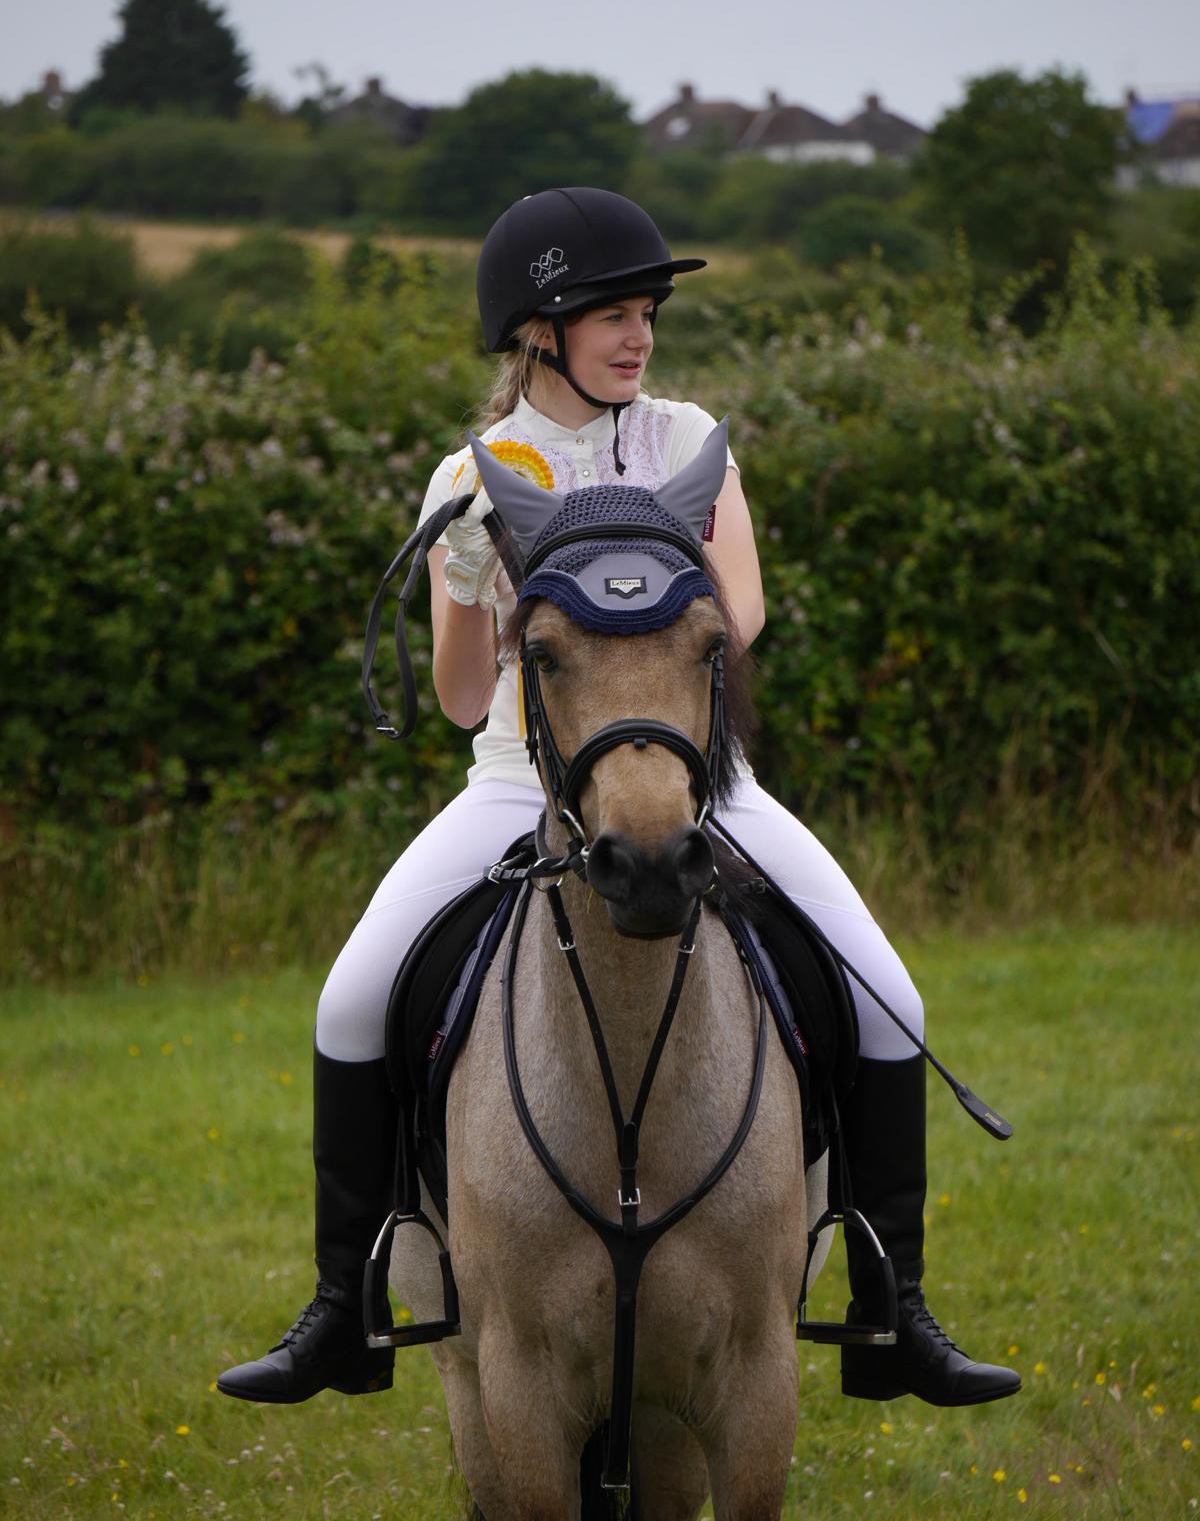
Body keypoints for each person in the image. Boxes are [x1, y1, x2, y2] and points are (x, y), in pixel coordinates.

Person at [217, 187, 1020, 1410]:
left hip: (700, 779)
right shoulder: (470, 474)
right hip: (516, 785)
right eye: (611, 314)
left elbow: (739, 614)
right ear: (537, 330)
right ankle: (345, 1305)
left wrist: (641, 591)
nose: (639, 335)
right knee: (351, 997)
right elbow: (452, 697)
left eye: (647, 312)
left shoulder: (689, 440)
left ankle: (892, 1304)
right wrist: (471, 574)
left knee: (889, 992)